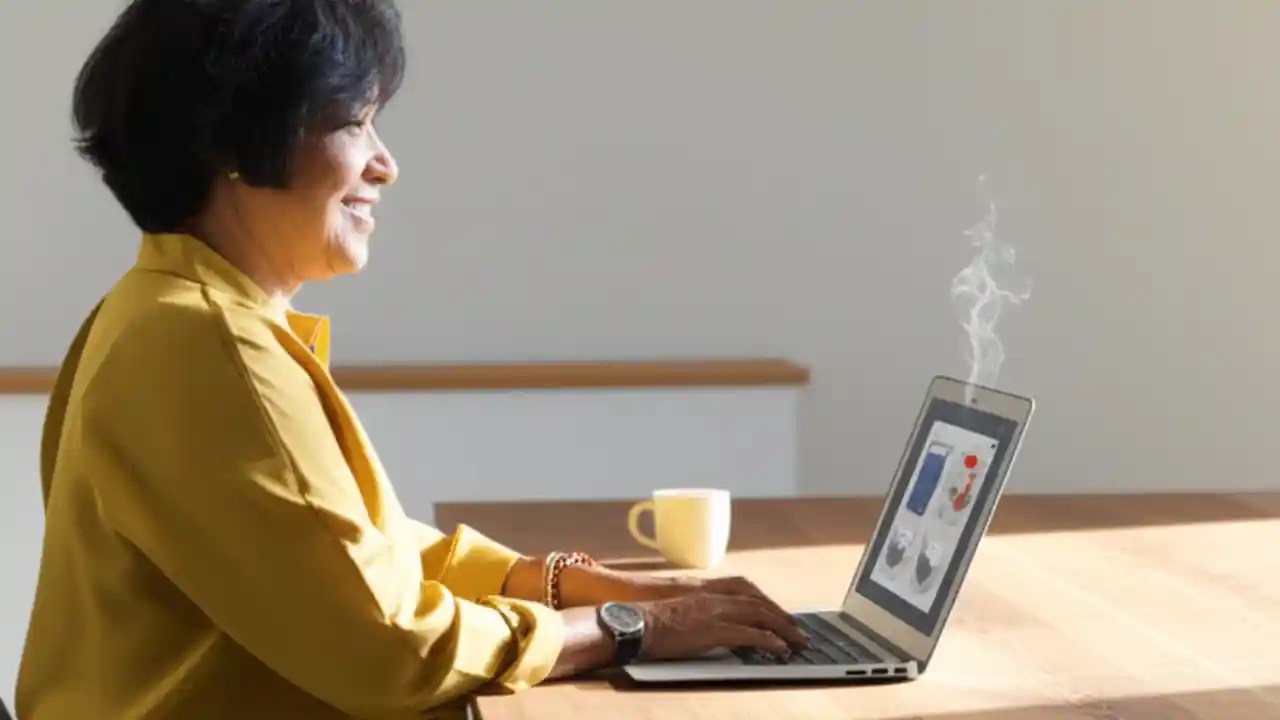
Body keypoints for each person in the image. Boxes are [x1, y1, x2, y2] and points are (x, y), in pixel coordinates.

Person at [15, 2, 806, 718]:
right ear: (239, 140)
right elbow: (396, 650)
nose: (385, 164)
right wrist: (627, 627)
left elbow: (354, 555)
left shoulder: (165, 307)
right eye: (354, 124)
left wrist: (557, 582)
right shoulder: (207, 345)